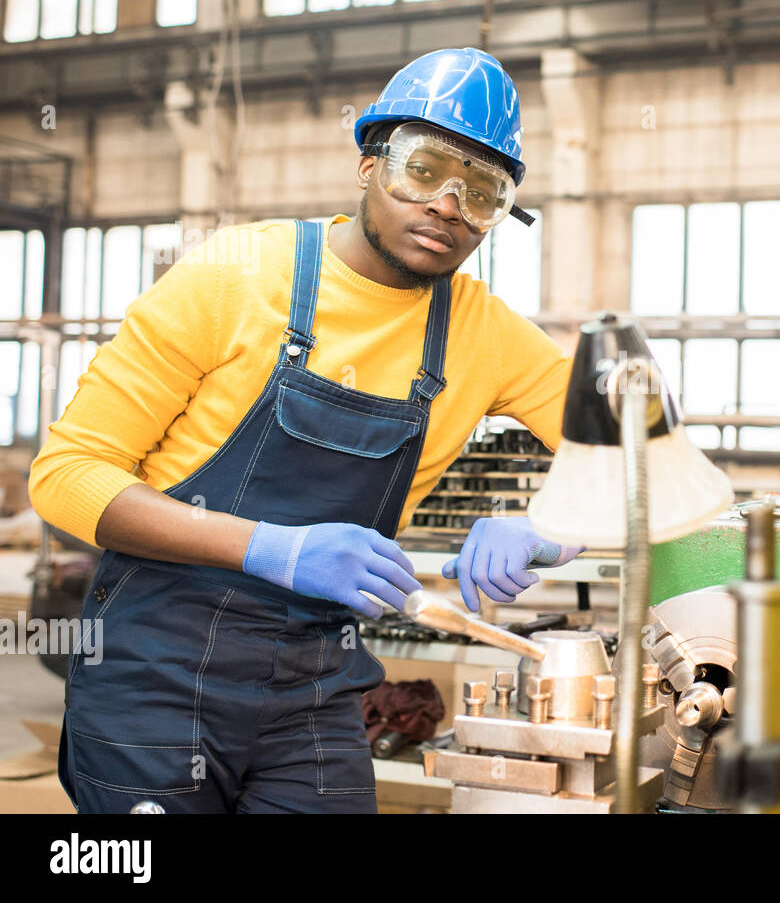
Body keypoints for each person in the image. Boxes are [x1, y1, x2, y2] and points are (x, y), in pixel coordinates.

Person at [27, 47, 582, 813]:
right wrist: (270, 547)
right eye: (423, 170)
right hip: (153, 676)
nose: (448, 206)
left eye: (482, 190)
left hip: (316, 688)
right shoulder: (239, 276)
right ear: (367, 163)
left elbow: (647, 463)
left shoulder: (487, 336)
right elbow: (66, 476)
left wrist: (545, 528)